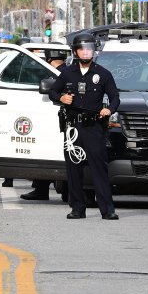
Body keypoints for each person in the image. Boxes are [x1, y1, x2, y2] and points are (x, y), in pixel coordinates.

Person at [46, 33, 119, 219]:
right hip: (73, 127)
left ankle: (107, 209)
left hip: (94, 126)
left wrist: (109, 109)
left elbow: (115, 97)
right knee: (73, 168)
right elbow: (53, 91)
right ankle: (77, 208)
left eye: (89, 49)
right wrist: (61, 97)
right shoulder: (68, 72)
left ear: (94, 51)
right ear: (75, 51)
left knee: (99, 168)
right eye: (82, 49)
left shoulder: (103, 73)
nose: (86, 52)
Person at [21, 47, 70, 202]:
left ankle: (41, 189)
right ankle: (57, 190)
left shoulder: (56, 74)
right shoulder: (70, 72)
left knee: (47, 152)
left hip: (53, 119)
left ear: (49, 60)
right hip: (66, 120)